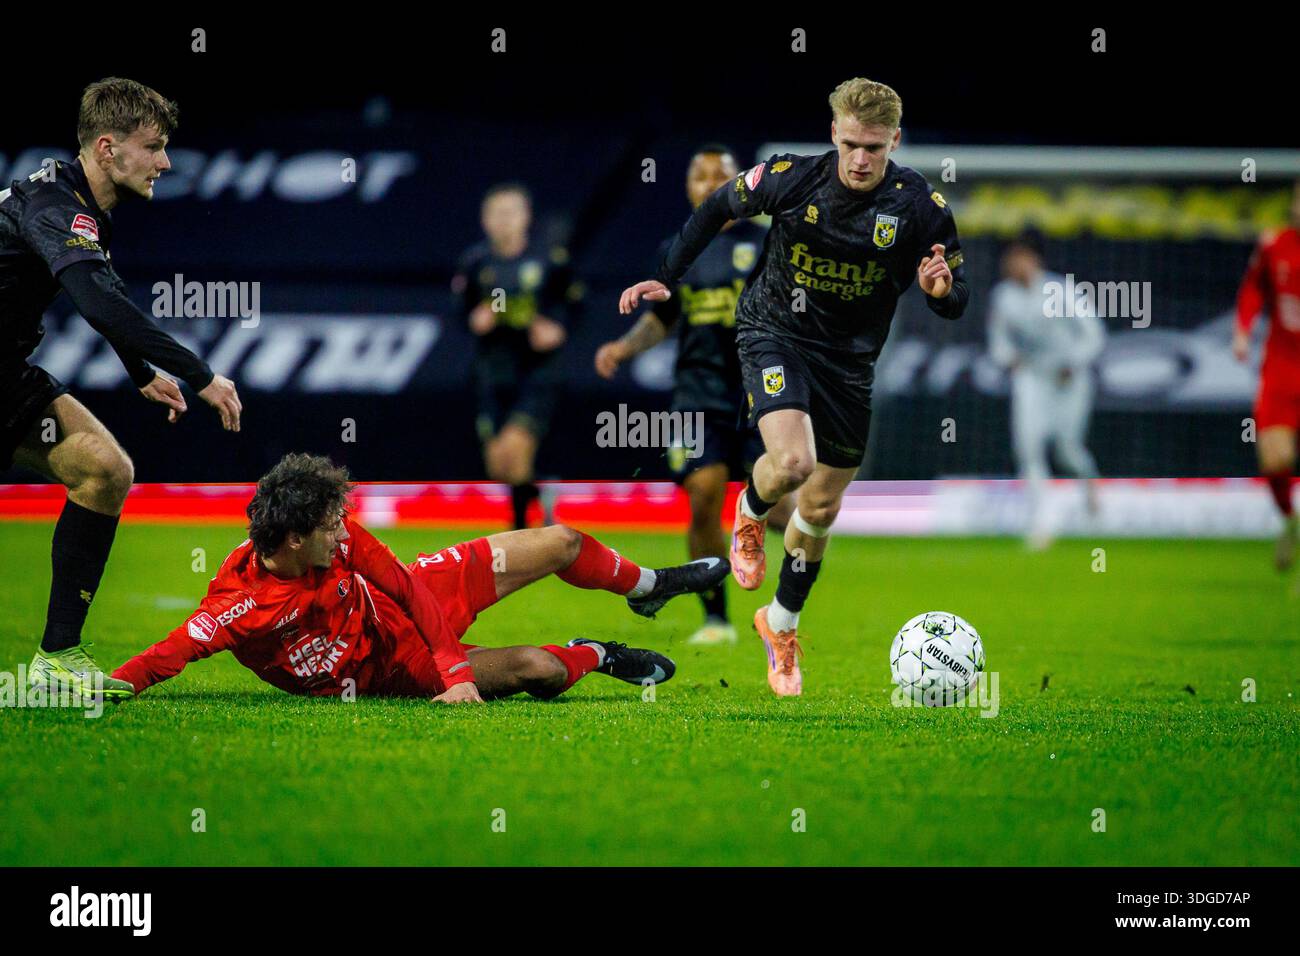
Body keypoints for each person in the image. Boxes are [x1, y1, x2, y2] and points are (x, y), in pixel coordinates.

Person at [619, 78, 969, 695]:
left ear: (895, 141)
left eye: (875, 148)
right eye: (852, 144)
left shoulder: (921, 207)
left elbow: (954, 295)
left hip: (850, 365)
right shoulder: (790, 176)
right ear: (834, 133)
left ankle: (780, 624)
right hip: (774, 331)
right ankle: (750, 514)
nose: (861, 160)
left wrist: (942, 293)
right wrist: (665, 276)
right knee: (792, 463)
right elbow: (716, 209)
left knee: (821, 509)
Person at [111, 453, 730, 703]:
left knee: (562, 541)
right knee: (537, 670)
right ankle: (597, 654)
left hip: (410, 601)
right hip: (392, 669)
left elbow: (405, 589)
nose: (343, 528)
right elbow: (166, 655)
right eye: (331, 523)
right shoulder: (239, 605)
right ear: (295, 540)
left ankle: (650, 586)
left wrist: (456, 673)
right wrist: (101, 688)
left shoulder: (342, 540)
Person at [1, 77, 242, 700]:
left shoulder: (79, 206)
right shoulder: (56, 207)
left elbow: (104, 297)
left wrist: (140, 373)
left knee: (105, 469)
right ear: (108, 147)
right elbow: (99, 305)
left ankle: (56, 659)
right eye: (154, 146)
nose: (165, 161)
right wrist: (202, 374)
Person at [596, 145, 789, 645]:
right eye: (698, 175)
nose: (707, 183)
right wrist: (624, 347)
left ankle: (783, 608)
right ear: (688, 188)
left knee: (783, 506)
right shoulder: (678, 248)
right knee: (703, 496)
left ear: (737, 183)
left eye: (718, 175)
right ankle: (716, 618)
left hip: (757, 392)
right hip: (696, 395)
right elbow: (664, 317)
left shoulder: (767, 243)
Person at [452, 183, 583, 529]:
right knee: (499, 465)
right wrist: (473, 319)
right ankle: (540, 498)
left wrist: (556, 327)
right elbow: (459, 311)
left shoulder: (548, 260)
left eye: (511, 213)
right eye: (496, 213)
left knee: (515, 448)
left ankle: (520, 532)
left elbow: (575, 304)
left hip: (536, 372)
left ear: (525, 217)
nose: (503, 221)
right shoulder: (476, 263)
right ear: (484, 219)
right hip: (493, 371)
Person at [987, 229, 1104, 549]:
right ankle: (1042, 523)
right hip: (1032, 377)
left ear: (1034, 259)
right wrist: (1010, 360)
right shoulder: (1004, 296)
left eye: (1020, 257)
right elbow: (998, 343)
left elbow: (1094, 334)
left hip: (1069, 379)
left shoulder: (1059, 289)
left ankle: (1090, 485)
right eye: (1010, 258)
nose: (1014, 264)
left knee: (1067, 451)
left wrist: (1073, 363)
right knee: (1028, 447)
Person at [1233, 179, 1300, 570]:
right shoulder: (1274, 245)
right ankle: (1289, 519)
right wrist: (1243, 330)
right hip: (1282, 366)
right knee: (1275, 460)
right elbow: (1253, 290)